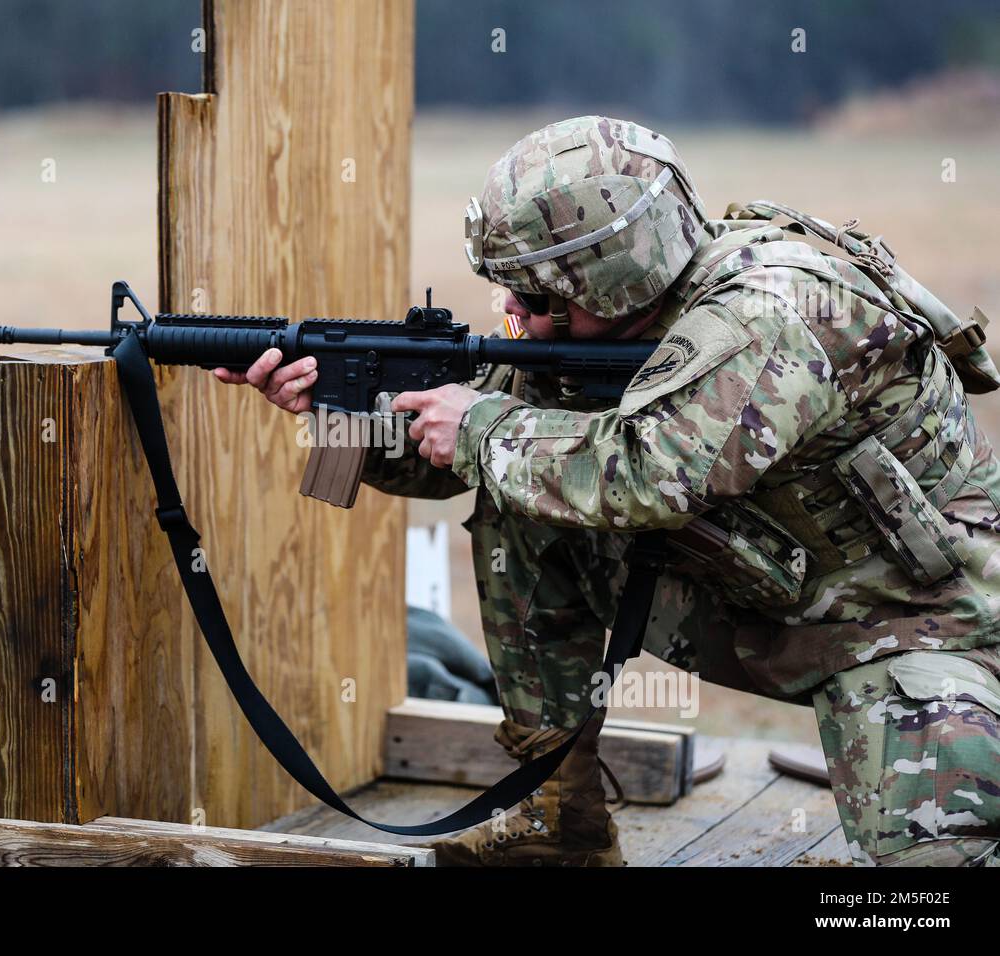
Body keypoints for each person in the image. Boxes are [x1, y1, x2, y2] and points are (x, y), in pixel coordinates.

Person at [214, 116, 1000, 867]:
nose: (513, 314)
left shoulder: (772, 313)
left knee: (930, 875)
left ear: (610, 279)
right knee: (522, 493)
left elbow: (650, 475)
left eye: (534, 294)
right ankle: (560, 819)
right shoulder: (594, 331)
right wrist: (343, 409)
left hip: (915, 621)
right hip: (778, 590)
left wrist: (484, 426)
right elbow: (457, 457)